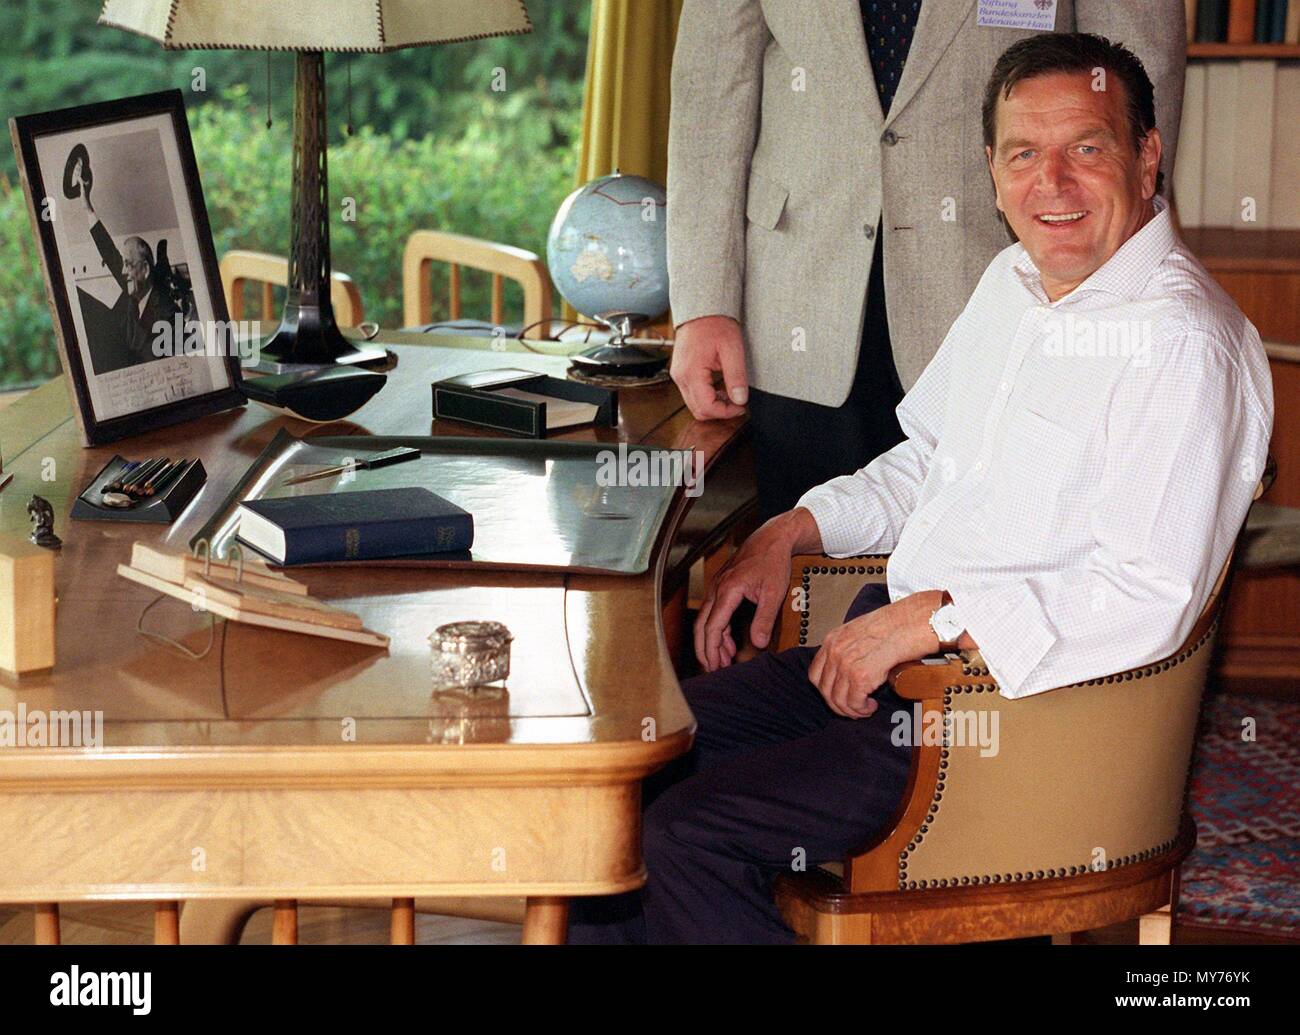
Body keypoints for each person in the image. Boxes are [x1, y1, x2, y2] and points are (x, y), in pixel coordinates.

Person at [569, 31, 1273, 944]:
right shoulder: (1015, 280)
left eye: (1086, 148)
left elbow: (1146, 598)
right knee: (619, 762)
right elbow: (925, 460)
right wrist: (791, 528)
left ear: (1147, 156)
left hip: (1003, 716)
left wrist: (929, 619)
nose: (1050, 183)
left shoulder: (1181, 346)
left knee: (678, 836)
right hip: (896, 661)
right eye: (1024, 154)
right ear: (990, 168)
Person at [666, 0, 1189, 521]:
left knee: (999, 548)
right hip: (795, 301)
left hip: (1010, 292)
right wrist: (704, 299)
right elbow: (709, 95)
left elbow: (1137, 82)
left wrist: (1117, 289)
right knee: (798, 567)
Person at [73, 157, 174, 373]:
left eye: (127, 264)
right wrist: (86, 203)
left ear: (145, 270)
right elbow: (108, 250)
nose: (121, 271)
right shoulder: (133, 283)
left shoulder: (167, 311)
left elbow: (155, 361)